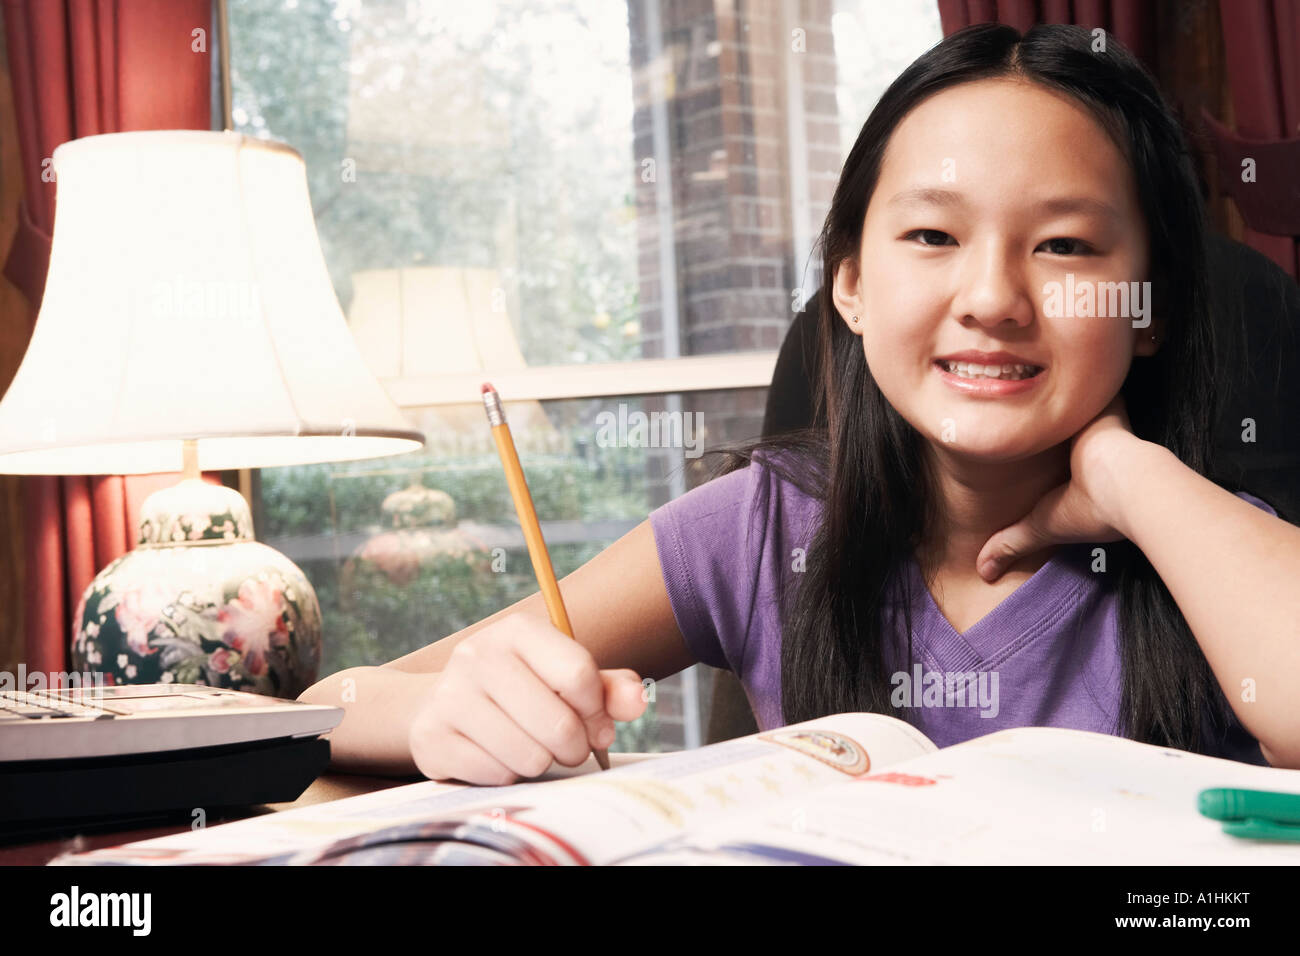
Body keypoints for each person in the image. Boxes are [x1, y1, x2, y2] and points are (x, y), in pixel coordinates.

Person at [298, 23, 1300, 783]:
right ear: (851, 285)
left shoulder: (1203, 547)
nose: (992, 298)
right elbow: (326, 706)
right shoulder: (767, 524)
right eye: (932, 237)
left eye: (1066, 245)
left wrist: (1128, 475)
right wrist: (452, 713)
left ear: (1148, 308)